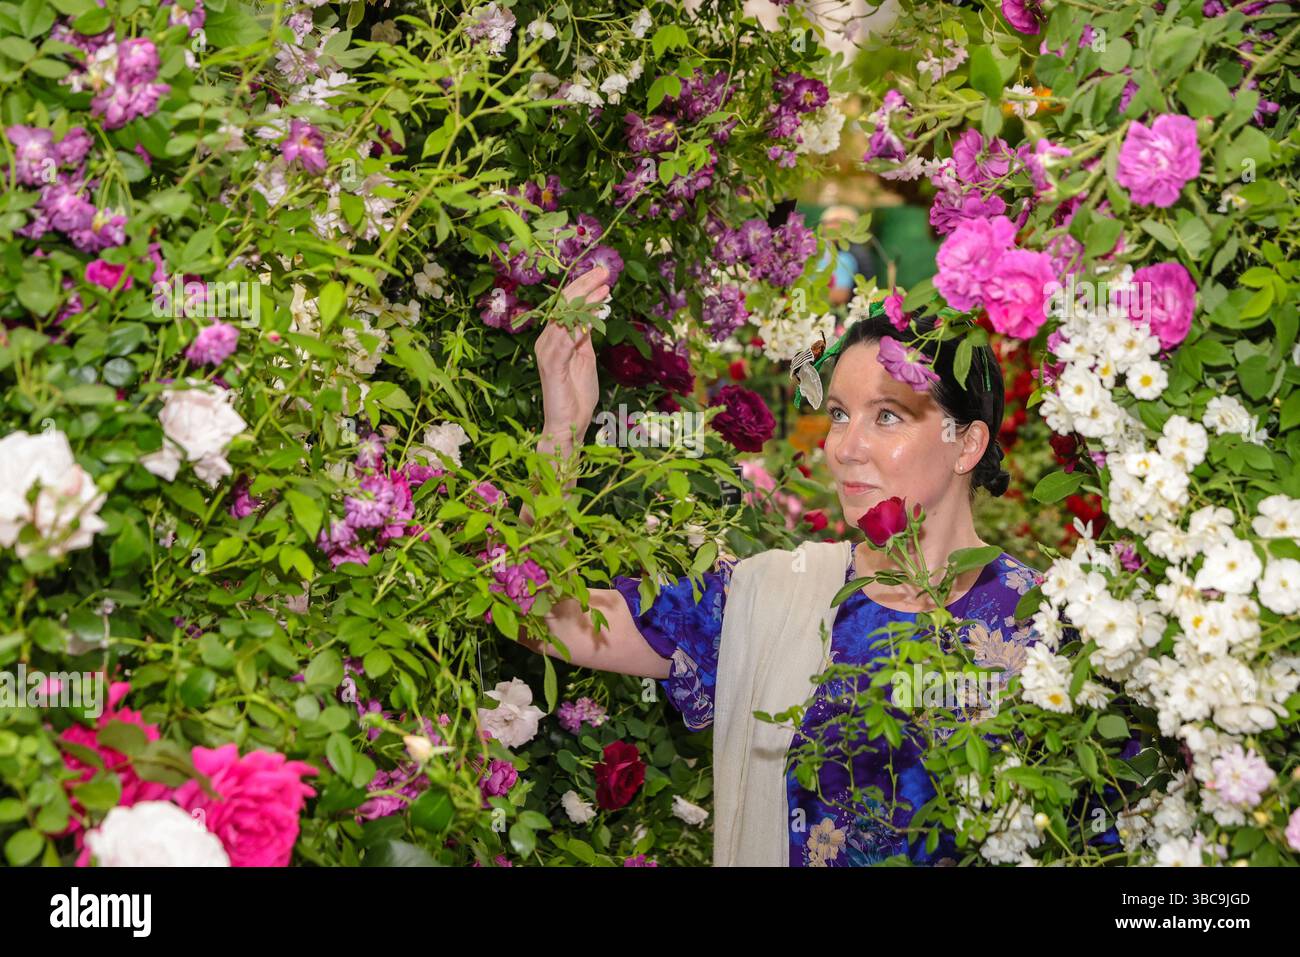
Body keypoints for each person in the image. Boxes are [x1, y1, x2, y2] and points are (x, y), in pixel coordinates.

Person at [520, 264, 1042, 866]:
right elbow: (536, 613)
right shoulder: (770, 599)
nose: (845, 448)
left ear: (968, 444)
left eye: (888, 416)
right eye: (840, 414)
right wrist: (563, 428)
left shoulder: (1040, 627)